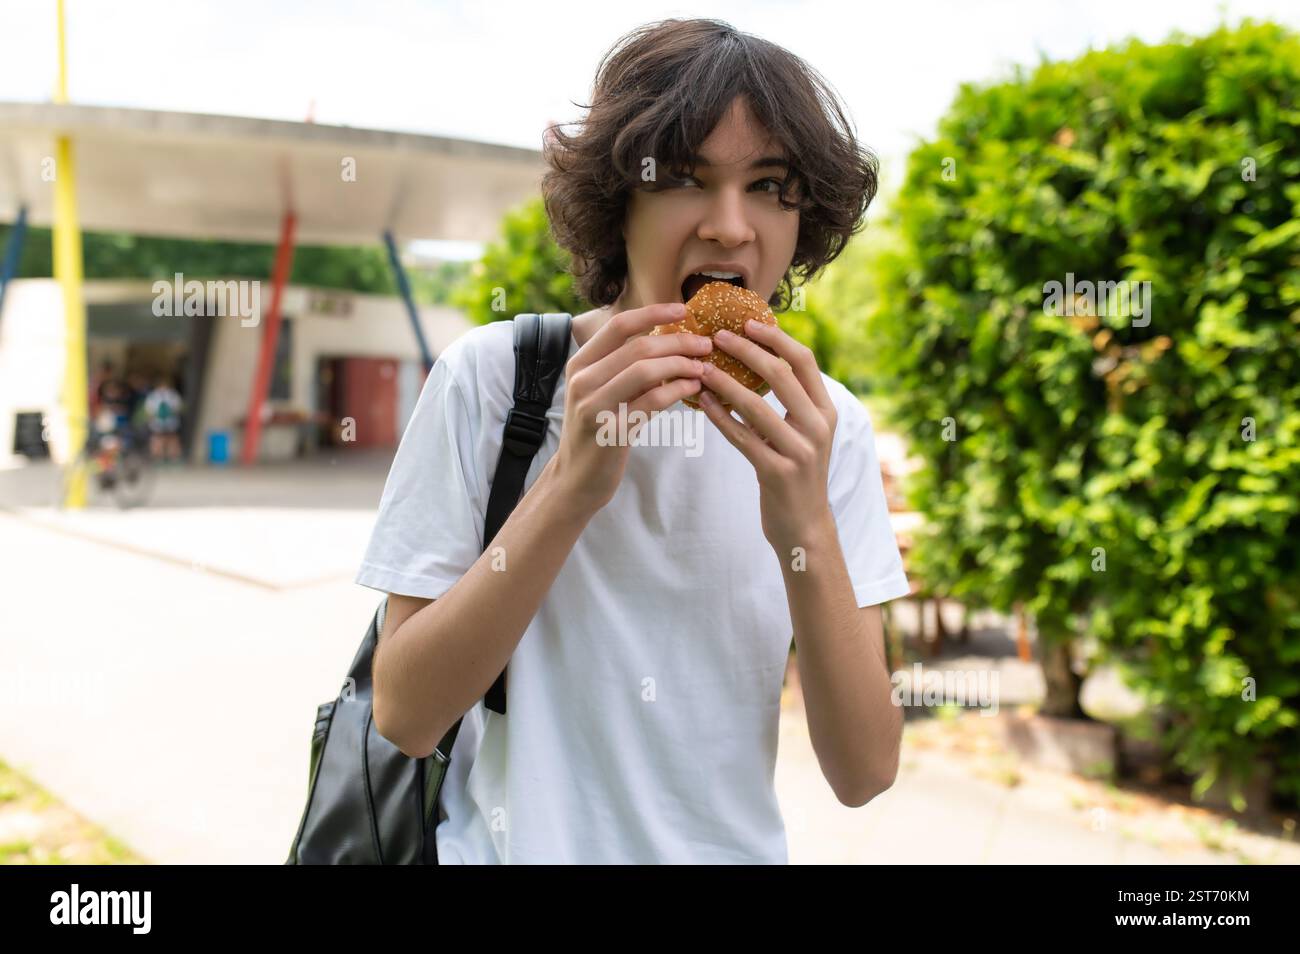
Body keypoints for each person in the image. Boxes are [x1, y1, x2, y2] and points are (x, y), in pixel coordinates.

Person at [355, 17, 909, 864]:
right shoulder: (494, 381)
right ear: (620, 201)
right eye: (685, 179)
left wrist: (804, 527)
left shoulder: (823, 427)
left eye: (771, 186)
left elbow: (865, 771)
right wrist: (573, 484)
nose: (730, 226)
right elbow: (403, 714)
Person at [143, 376, 183, 463]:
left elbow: (178, 408)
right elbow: (148, 410)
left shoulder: (173, 395)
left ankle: (173, 457)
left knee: (172, 438)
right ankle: (157, 457)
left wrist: (169, 412)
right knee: (157, 439)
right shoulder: (153, 396)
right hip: (157, 421)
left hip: (170, 421)